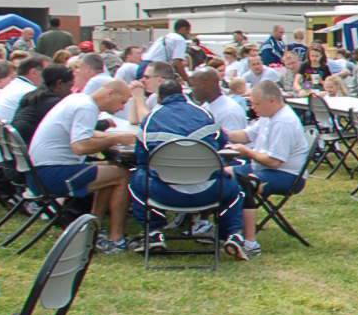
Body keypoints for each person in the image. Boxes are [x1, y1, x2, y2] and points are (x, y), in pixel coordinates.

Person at [129, 76, 252, 258]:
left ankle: (154, 231)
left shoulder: (150, 120)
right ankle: (232, 234)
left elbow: (141, 159)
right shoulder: (205, 114)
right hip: (210, 191)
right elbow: (221, 144)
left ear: (159, 98)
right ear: (183, 94)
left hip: (164, 192)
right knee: (236, 191)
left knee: (136, 180)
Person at [28, 77, 136, 250]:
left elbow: (85, 132)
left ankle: (93, 229)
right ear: (110, 93)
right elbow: (80, 146)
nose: (122, 107)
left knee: (113, 170)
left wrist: (114, 137)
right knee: (123, 176)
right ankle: (116, 238)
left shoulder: (78, 99)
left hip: (38, 173)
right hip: (50, 175)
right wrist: (116, 138)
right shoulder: (86, 107)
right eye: (122, 102)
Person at [223, 80, 309, 251]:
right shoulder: (268, 116)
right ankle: (221, 228)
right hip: (263, 167)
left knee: (245, 183)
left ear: (272, 101)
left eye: (256, 104)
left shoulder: (283, 122)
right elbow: (247, 135)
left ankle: (249, 242)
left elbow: (274, 161)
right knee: (222, 174)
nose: (253, 107)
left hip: (286, 175)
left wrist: (247, 152)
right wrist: (223, 135)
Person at [0, 55, 44, 167]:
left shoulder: (9, 90)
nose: (13, 79)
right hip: (3, 158)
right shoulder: (24, 90)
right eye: (11, 77)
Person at [11, 64, 74, 145]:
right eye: (70, 86)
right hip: (29, 147)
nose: (71, 91)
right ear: (59, 84)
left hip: (18, 146)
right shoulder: (54, 104)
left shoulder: (32, 96)